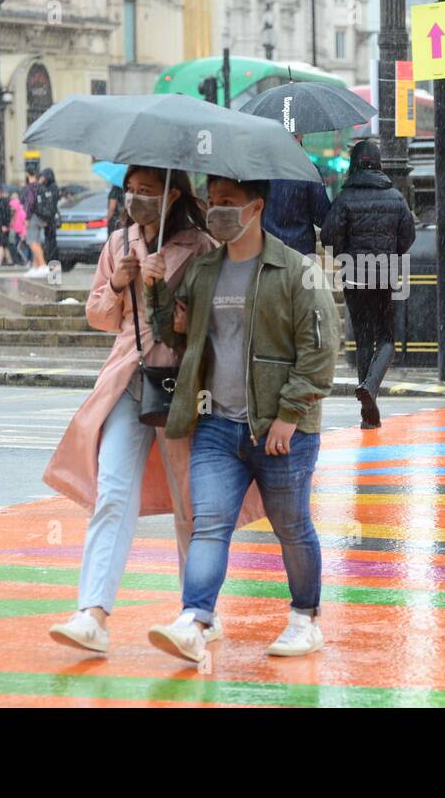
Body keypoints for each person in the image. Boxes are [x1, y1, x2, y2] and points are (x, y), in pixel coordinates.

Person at [143, 176, 338, 663]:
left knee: (291, 526)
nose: (216, 212)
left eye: (228, 203)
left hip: (281, 431)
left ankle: (305, 618)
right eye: (213, 202)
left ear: (256, 207)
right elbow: (176, 335)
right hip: (217, 425)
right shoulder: (205, 269)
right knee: (207, 523)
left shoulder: (296, 271)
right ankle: (195, 618)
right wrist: (155, 293)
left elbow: (320, 352)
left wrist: (289, 416)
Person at [44, 166, 235, 655]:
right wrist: (118, 283)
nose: (134, 200)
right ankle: (93, 614)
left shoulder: (202, 248)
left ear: (172, 196)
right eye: (130, 191)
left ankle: (198, 614)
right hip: (128, 383)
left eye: (146, 192)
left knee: (190, 503)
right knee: (112, 493)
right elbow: (99, 317)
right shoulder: (119, 243)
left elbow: (209, 326)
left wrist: (164, 295)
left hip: (181, 385)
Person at [320, 139, 415, 429]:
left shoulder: (345, 197)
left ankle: (368, 412)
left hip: (355, 276)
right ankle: (371, 388)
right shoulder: (396, 197)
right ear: (379, 163)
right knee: (386, 338)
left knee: (362, 339)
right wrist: (392, 256)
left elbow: (327, 236)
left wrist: (345, 254)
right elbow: (407, 236)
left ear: (355, 162)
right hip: (384, 275)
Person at [262, 161, 332, 258]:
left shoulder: (258, 168)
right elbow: (322, 216)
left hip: (266, 247)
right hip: (300, 250)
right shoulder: (307, 169)